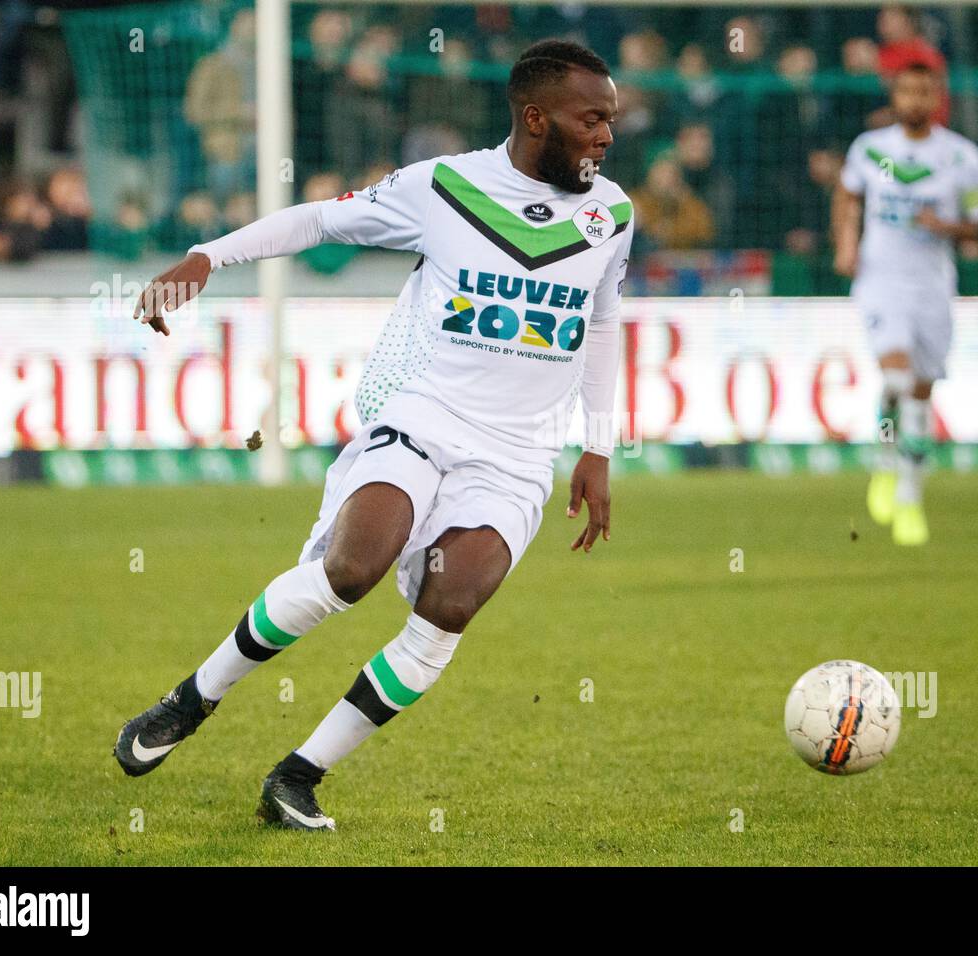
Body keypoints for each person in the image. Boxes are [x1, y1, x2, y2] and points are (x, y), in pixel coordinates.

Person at [115, 40, 634, 831]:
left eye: (610, 121)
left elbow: (600, 327)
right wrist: (205, 257)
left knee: (448, 609)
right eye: (590, 119)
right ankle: (192, 699)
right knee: (350, 571)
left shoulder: (613, 214)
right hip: (425, 415)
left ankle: (298, 776)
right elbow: (320, 220)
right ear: (537, 119)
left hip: (520, 453)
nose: (605, 135)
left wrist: (599, 446)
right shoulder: (444, 187)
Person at [833, 63, 978, 545]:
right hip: (882, 279)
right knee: (896, 378)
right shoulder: (870, 148)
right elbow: (847, 193)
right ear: (896, 96)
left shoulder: (962, 157)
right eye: (908, 91)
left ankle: (909, 496)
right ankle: (884, 461)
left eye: (925, 91)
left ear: (937, 97)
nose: (916, 100)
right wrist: (845, 242)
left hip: (933, 287)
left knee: (920, 398)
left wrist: (947, 226)